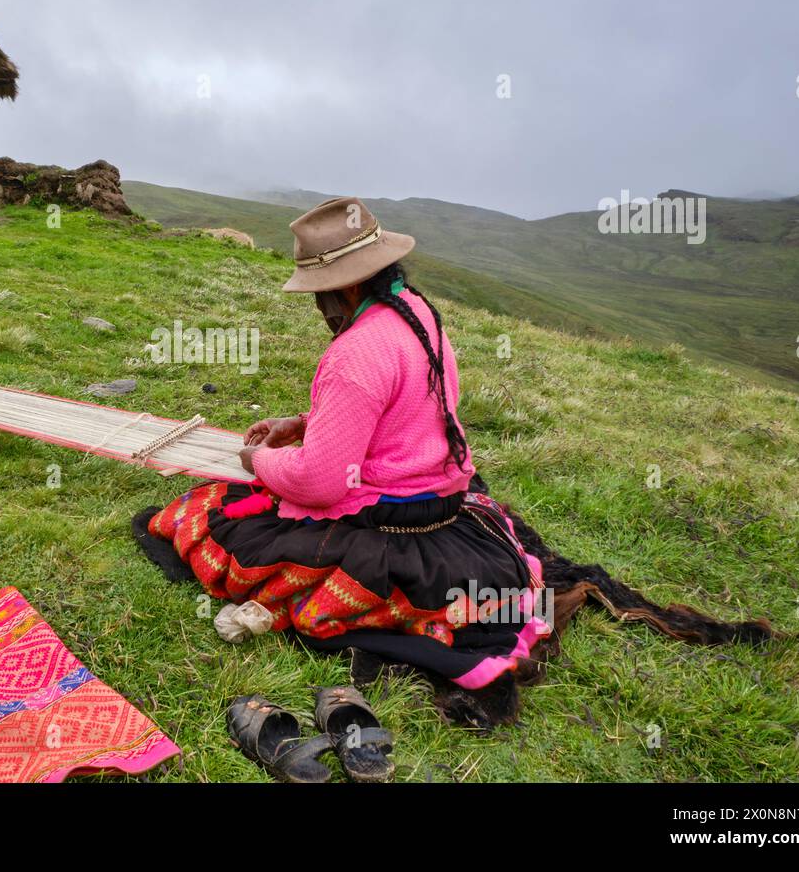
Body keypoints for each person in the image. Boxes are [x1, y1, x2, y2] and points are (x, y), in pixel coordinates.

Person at [136, 197, 551, 688]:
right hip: (438, 505)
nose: (319, 305)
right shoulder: (416, 312)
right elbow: (399, 408)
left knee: (209, 517)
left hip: (382, 515)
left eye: (321, 292)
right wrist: (304, 423)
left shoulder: (355, 352)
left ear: (347, 284)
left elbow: (320, 483)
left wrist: (260, 460)